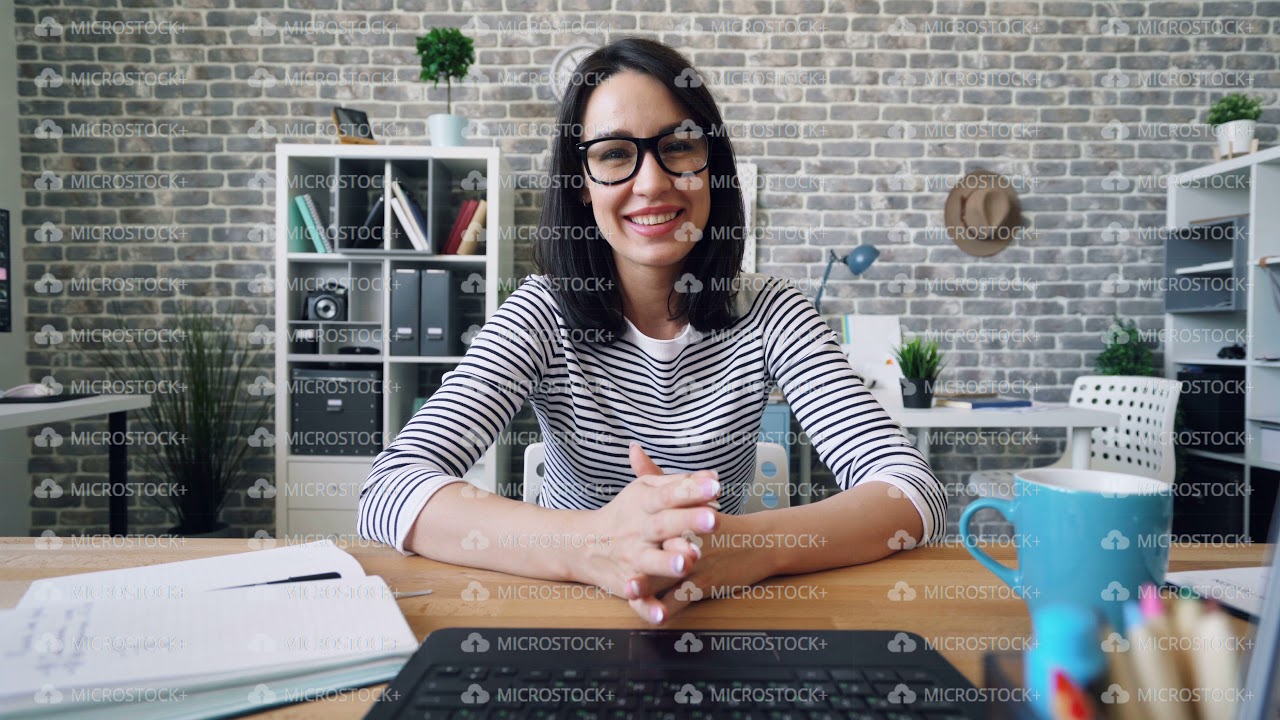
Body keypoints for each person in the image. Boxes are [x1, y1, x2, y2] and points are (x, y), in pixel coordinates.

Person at [358, 37, 946, 624]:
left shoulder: (773, 312)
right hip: (568, 618)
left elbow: (911, 491)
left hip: (715, 613)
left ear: (712, 168)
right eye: (615, 153)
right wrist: (592, 545)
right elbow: (388, 490)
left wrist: (744, 545)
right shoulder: (540, 311)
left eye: (678, 146)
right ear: (581, 186)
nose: (651, 182)